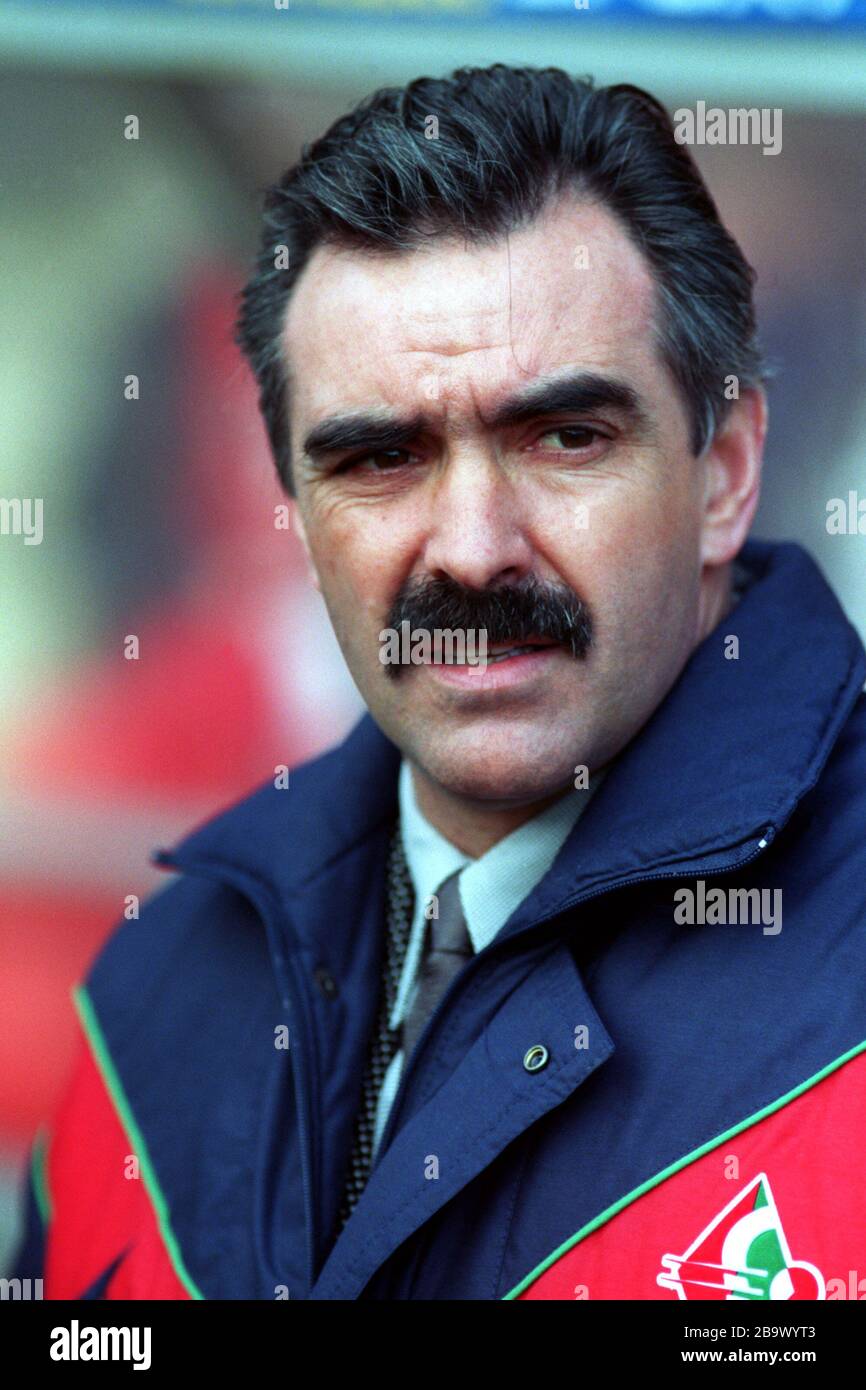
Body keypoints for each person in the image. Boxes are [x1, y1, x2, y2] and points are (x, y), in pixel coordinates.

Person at [12, 64, 866, 1302]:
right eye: (378, 456)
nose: (471, 547)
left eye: (565, 437)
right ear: (294, 511)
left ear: (725, 472)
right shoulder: (164, 987)